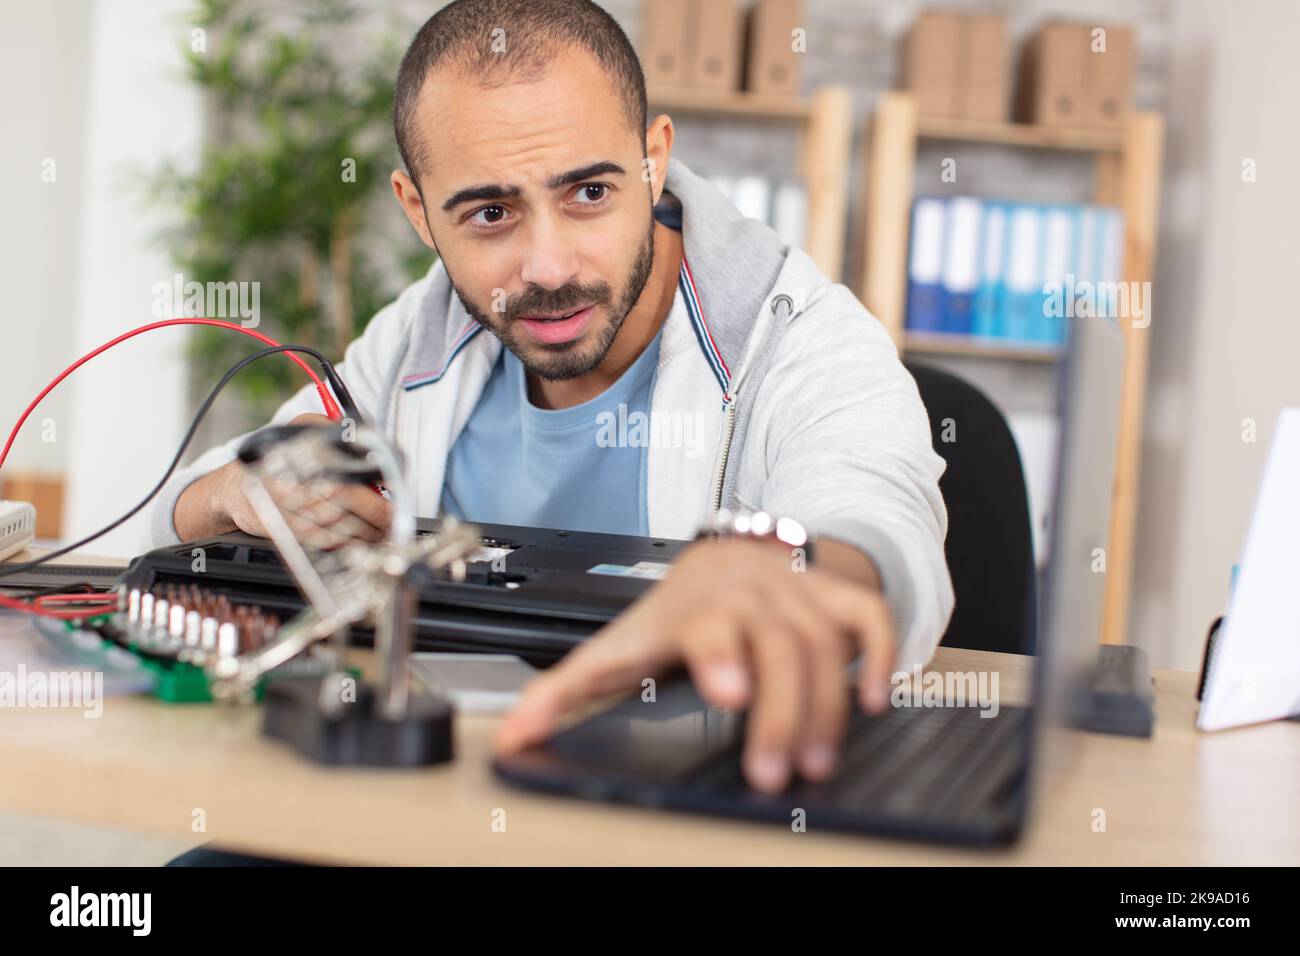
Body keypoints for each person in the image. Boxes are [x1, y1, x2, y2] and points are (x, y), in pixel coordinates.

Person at [152, 0, 954, 795]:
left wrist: (793, 581)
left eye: (590, 194)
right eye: (492, 213)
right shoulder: (416, 335)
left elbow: (881, 518)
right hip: (436, 799)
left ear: (655, 159)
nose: (547, 266)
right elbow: (202, 503)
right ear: (418, 212)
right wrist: (232, 493)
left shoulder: (801, 338)